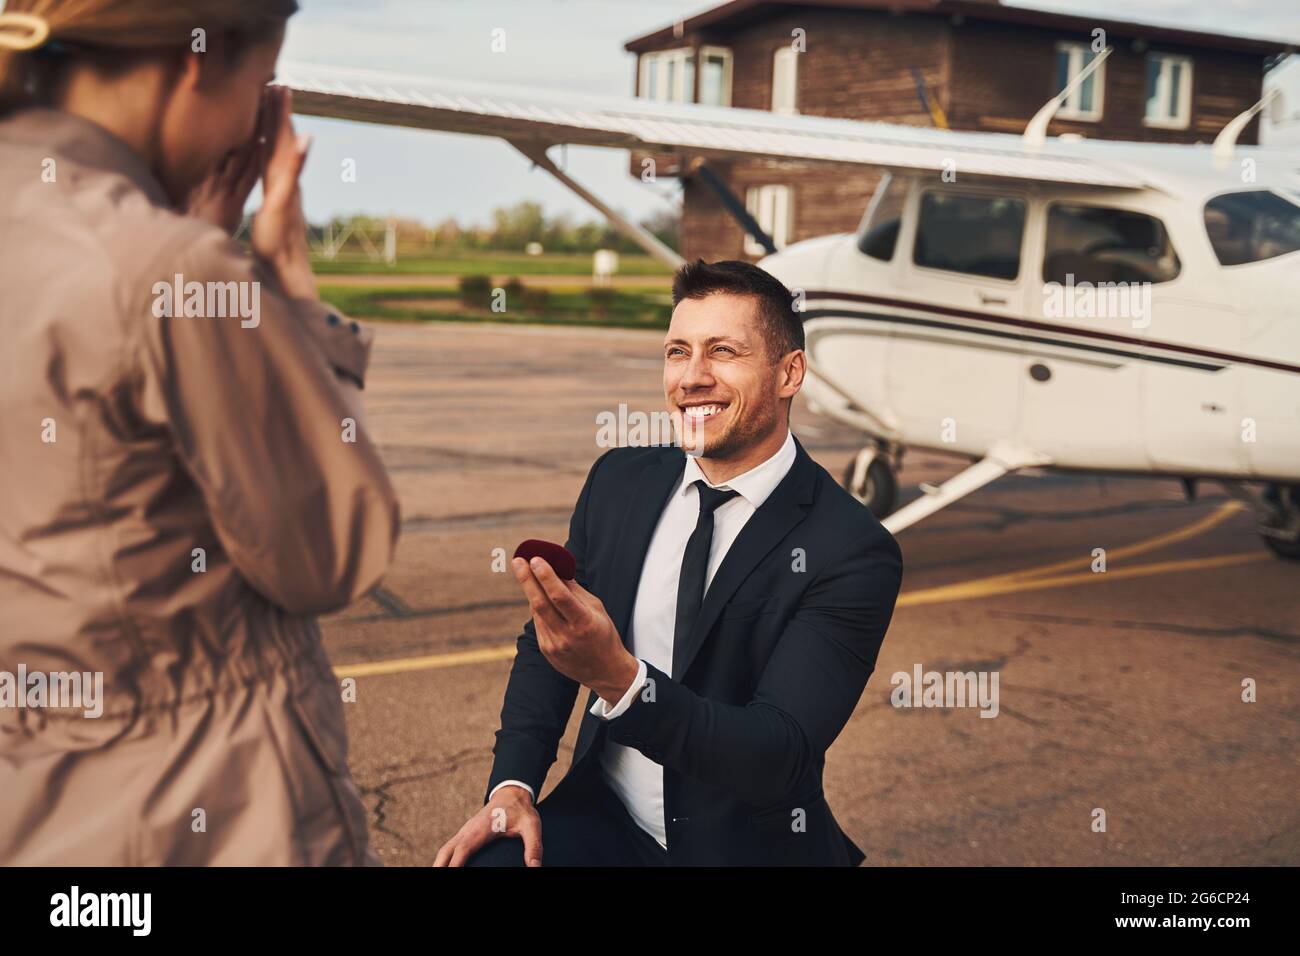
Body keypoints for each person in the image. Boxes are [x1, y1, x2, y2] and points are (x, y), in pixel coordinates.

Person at [0, 1, 399, 865]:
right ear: (195, 61)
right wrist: (286, 282)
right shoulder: (167, 269)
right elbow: (334, 548)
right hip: (197, 804)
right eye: (260, 87)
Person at [435, 260, 903, 867]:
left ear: (790, 372)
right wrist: (512, 788)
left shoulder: (852, 547)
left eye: (723, 352)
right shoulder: (618, 481)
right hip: (606, 820)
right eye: (677, 352)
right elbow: (547, 646)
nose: (692, 377)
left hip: (747, 849)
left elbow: (778, 753)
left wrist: (622, 682)